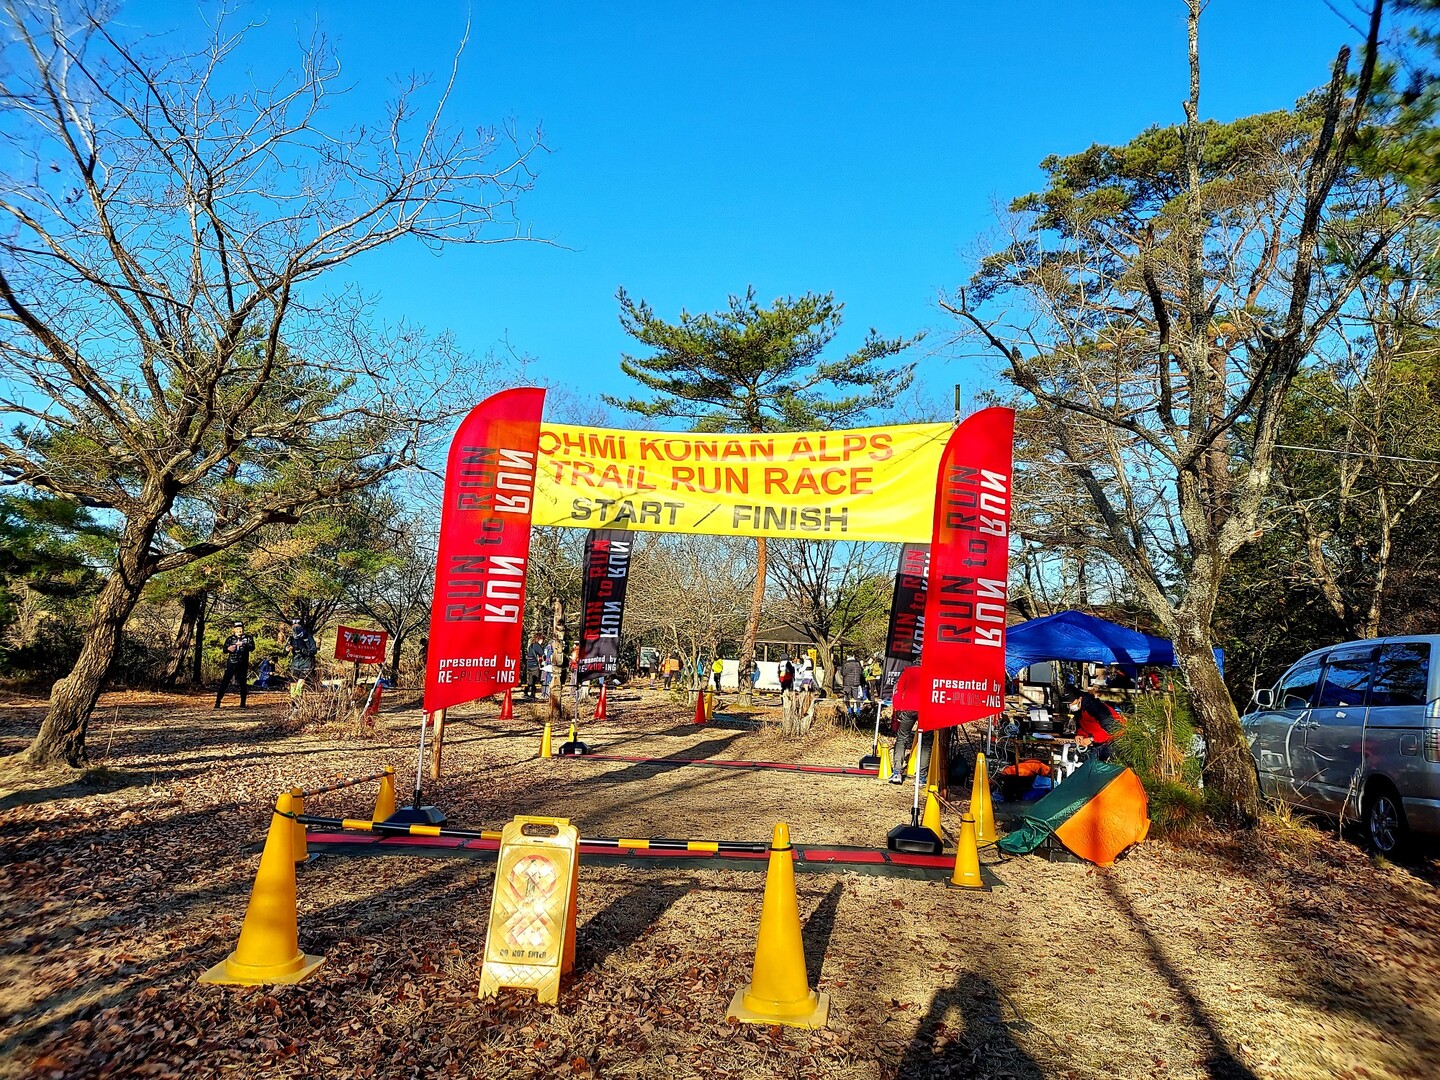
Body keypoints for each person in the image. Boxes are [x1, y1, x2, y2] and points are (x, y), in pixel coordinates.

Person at [1067, 691, 1126, 761]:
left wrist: (1091, 739)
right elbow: (1083, 725)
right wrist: (1081, 735)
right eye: (1068, 704)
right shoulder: (1078, 711)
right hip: (1100, 742)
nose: (1069, 706)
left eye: (1071, 703)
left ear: (1079, 699)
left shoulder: (1096, 708)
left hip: (1117, 740)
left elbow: (1113, 730)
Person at [889, 664, 924, 783]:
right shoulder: (932, 671)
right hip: (925, 709)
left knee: (902, 738)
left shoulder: (908, 671)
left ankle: (897, 772)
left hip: (908, 707)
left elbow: (898, 690)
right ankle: (922, 777)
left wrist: (897, 708)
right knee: (926, 741)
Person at [216, 620, 255, 708]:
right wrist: (229, 648)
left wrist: (244, 645)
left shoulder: (248, 638)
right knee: (225, 682)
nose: (239, 630)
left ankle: (242, 703)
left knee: (242, 683)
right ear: (234, 630)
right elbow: (224, 649)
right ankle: (218, 701)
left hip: (243, 663)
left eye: (241, 629)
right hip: (232, 662)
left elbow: (252, 647)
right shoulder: (230, 639)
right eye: (237, 629)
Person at [287, 618, 318, 683]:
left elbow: (314, 651)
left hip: (306, 664)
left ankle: (299, 693)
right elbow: (284, 653)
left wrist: (302, 650)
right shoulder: (291, 638)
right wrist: (287, 650)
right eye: (293, 624)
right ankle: (294, 693)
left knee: (300, 684)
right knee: (293, 683)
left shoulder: (308, 636)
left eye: (297, 624)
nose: (295, 626)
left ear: (301, 626)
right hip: (295, 665)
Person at [524, 633, 546, 699]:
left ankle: (526, 692)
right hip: (534, 665)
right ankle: (532, 695)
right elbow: (542, 653)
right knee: (534, 680)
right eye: (542, 640)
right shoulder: (537, 646)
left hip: (529, 665)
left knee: (529, 680)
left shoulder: (531, 646)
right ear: (540, 639)